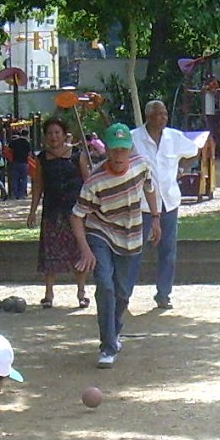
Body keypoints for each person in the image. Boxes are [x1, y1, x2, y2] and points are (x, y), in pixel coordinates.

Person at [71, 124, 160, 369]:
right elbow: (77, 215)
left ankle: (114, 330)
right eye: (114, 150)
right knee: (105, 285)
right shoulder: (95, 182)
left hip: (131, 234)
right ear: (107, 150)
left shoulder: (141, 166)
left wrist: (155, 217)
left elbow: (150, 188)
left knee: (123, 292)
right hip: (100, 232)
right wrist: (85, 249)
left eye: (123, 150)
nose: (119, 155)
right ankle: (107, 346)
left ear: (129, 149)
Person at [131, 100, 200, 310]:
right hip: (141, 204)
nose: (162, 118)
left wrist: (181, 168)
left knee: (168, 251)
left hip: (169, 202)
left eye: (164, 114)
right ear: (148, 116)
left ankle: (163, 294)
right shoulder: (135, 138)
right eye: (158, 114)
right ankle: (124, 293)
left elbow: (194, 151)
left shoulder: (174, 137)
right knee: (135, 251)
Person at [28, 117, 91, 308]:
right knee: (50, 252)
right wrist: (32, 211)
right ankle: (49, 293)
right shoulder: (41, 159)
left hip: (76, 212)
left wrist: (92, 208)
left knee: (79, 251)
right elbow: (38, 186)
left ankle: (81, 292)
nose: (53, 137)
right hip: (52, 211)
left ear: (64, 134)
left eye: (57, 132)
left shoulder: (77, 154)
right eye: (50, 133)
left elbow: (88, 182)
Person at [8, 126, 33, 200]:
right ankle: (22, 194)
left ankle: (15, 194)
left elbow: (9, 149)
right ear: (27, 134)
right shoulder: (27, 142)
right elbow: (30, 153)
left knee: (15, 179)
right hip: (24, 162)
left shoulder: (14, 141)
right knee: (24, 178)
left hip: (15, 161)